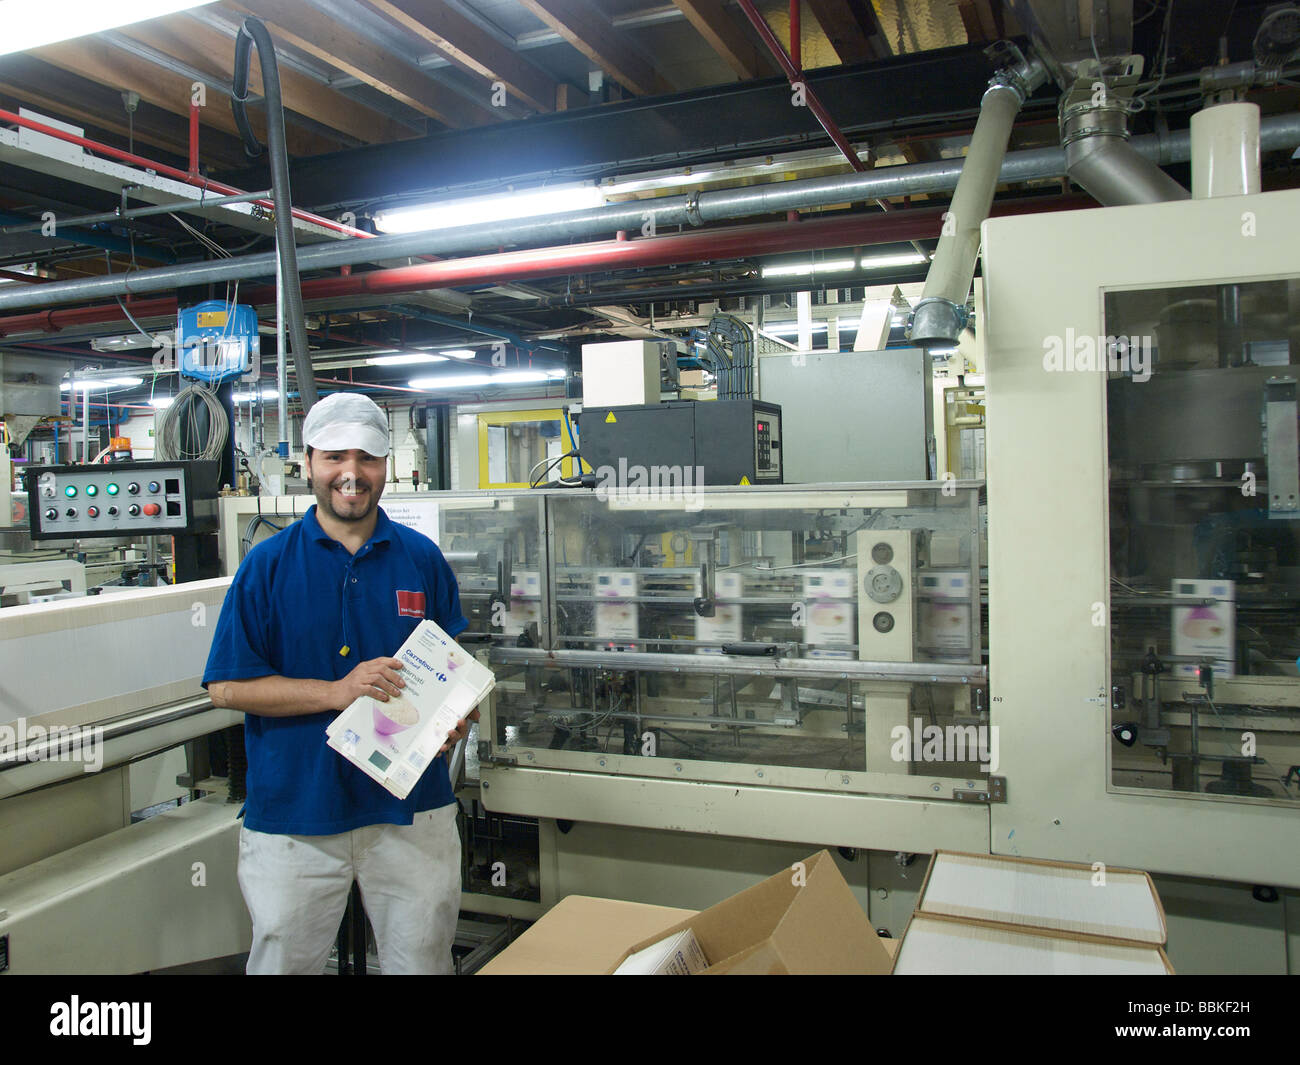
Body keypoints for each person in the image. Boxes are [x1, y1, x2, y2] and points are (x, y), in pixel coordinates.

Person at [203, 391, 474, 975]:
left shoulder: (422, 559)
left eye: (367, 457)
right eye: (334, 457)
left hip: (412, 813)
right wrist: (335, 692)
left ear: (387, 468)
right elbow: (225, 688)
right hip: (296, 813)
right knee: (284, 965)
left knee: (422, 963)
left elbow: (457, 672)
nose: (351, 474)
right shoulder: (267, 566)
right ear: (308, 464)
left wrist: (458, 716)